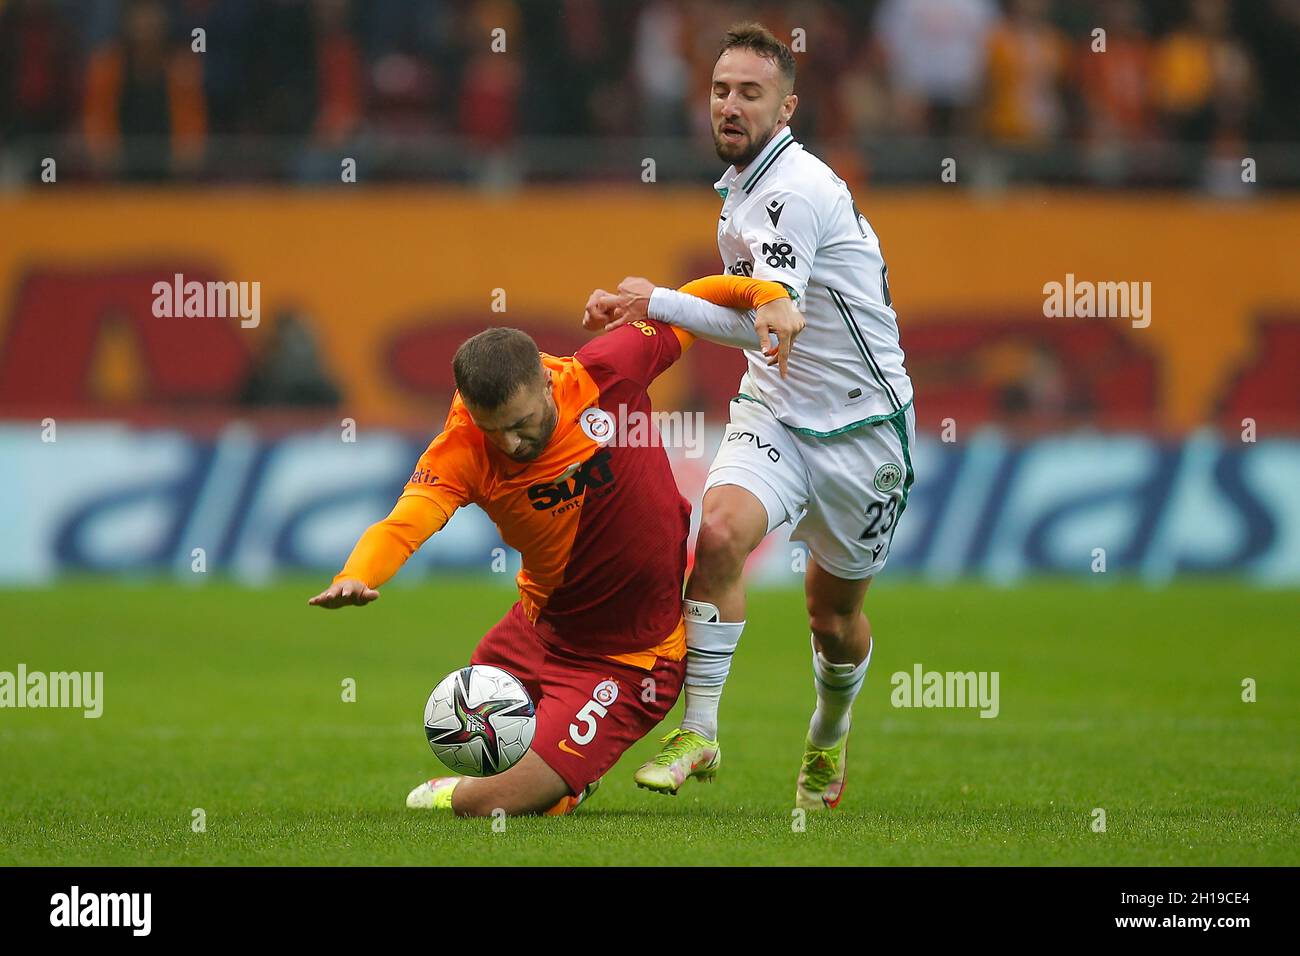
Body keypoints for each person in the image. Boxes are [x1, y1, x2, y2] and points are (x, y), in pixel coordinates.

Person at [585, 22, 916, 811]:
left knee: (832, 620)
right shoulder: (741, 190)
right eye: (721, 90)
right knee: (722, 531)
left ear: (787, 106)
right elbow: (750, 307)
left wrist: (657, 302)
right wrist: (651, 313)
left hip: (860, 432)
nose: (730, 105)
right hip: (774, 405)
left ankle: (830, 731)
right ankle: (700, 732)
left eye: (750, 93)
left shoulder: (794, 192)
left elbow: (771, 318)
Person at [310, 276, 791, 817]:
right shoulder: (463, 448)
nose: (512, 444)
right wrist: (358, 574)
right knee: (473, 728)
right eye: (496, 431)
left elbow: (690, 304)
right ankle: (563, 783)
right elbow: (405, 523)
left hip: (628, 661)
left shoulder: (607, 369)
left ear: (544, 379)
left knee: (480, 805)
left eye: (520, 424)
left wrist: (766, 296)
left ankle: (536, 786)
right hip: (534, 634)